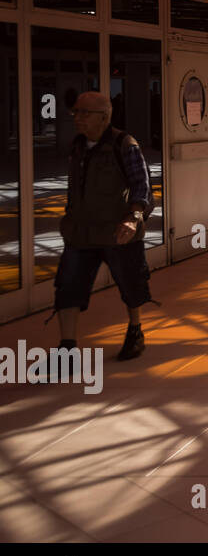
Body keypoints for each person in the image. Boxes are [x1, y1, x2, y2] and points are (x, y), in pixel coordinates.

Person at [48, 91, 154, 359]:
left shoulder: (125, 145)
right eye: (76, 112)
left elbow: (142, 185)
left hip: (116, 231)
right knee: (68, 288)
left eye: (85, 113)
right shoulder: (78, 146)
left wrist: (134, 217)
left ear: (104, 117)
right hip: (81, 233)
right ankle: (67, 349)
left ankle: (135, 330)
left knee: (131, 284)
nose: (78, 118)